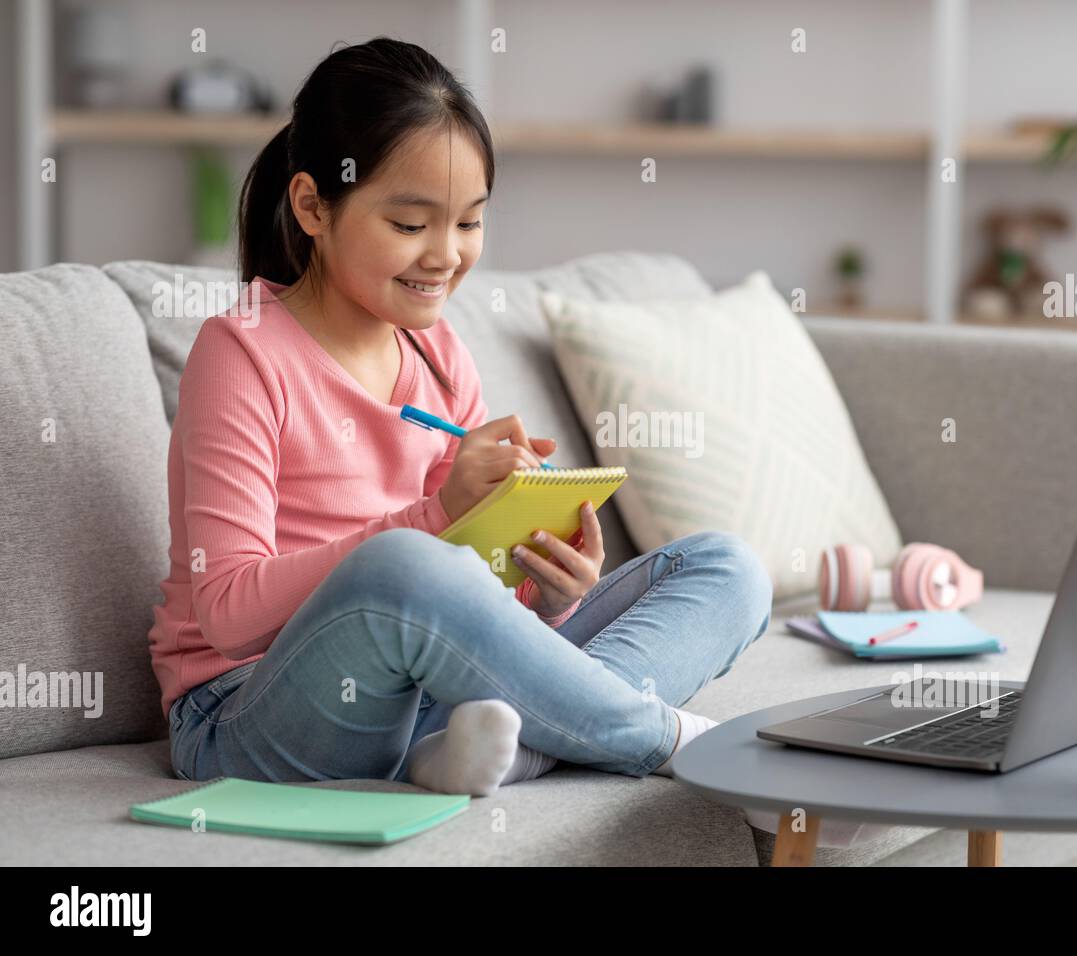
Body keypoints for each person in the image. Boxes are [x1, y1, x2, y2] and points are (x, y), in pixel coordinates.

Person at [149, 37, 772, 797]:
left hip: (423, 694)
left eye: (469, 223)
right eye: (411, 225)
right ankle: (663, 739)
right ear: (313, 205)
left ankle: (495, 748)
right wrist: (435, 515)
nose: (445, 255)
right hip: (247, 713)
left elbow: (468, 610)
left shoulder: (441, 353)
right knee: (405, 565)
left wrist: (549, 594)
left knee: (725, 569)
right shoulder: (240, 353)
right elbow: (225, 612)